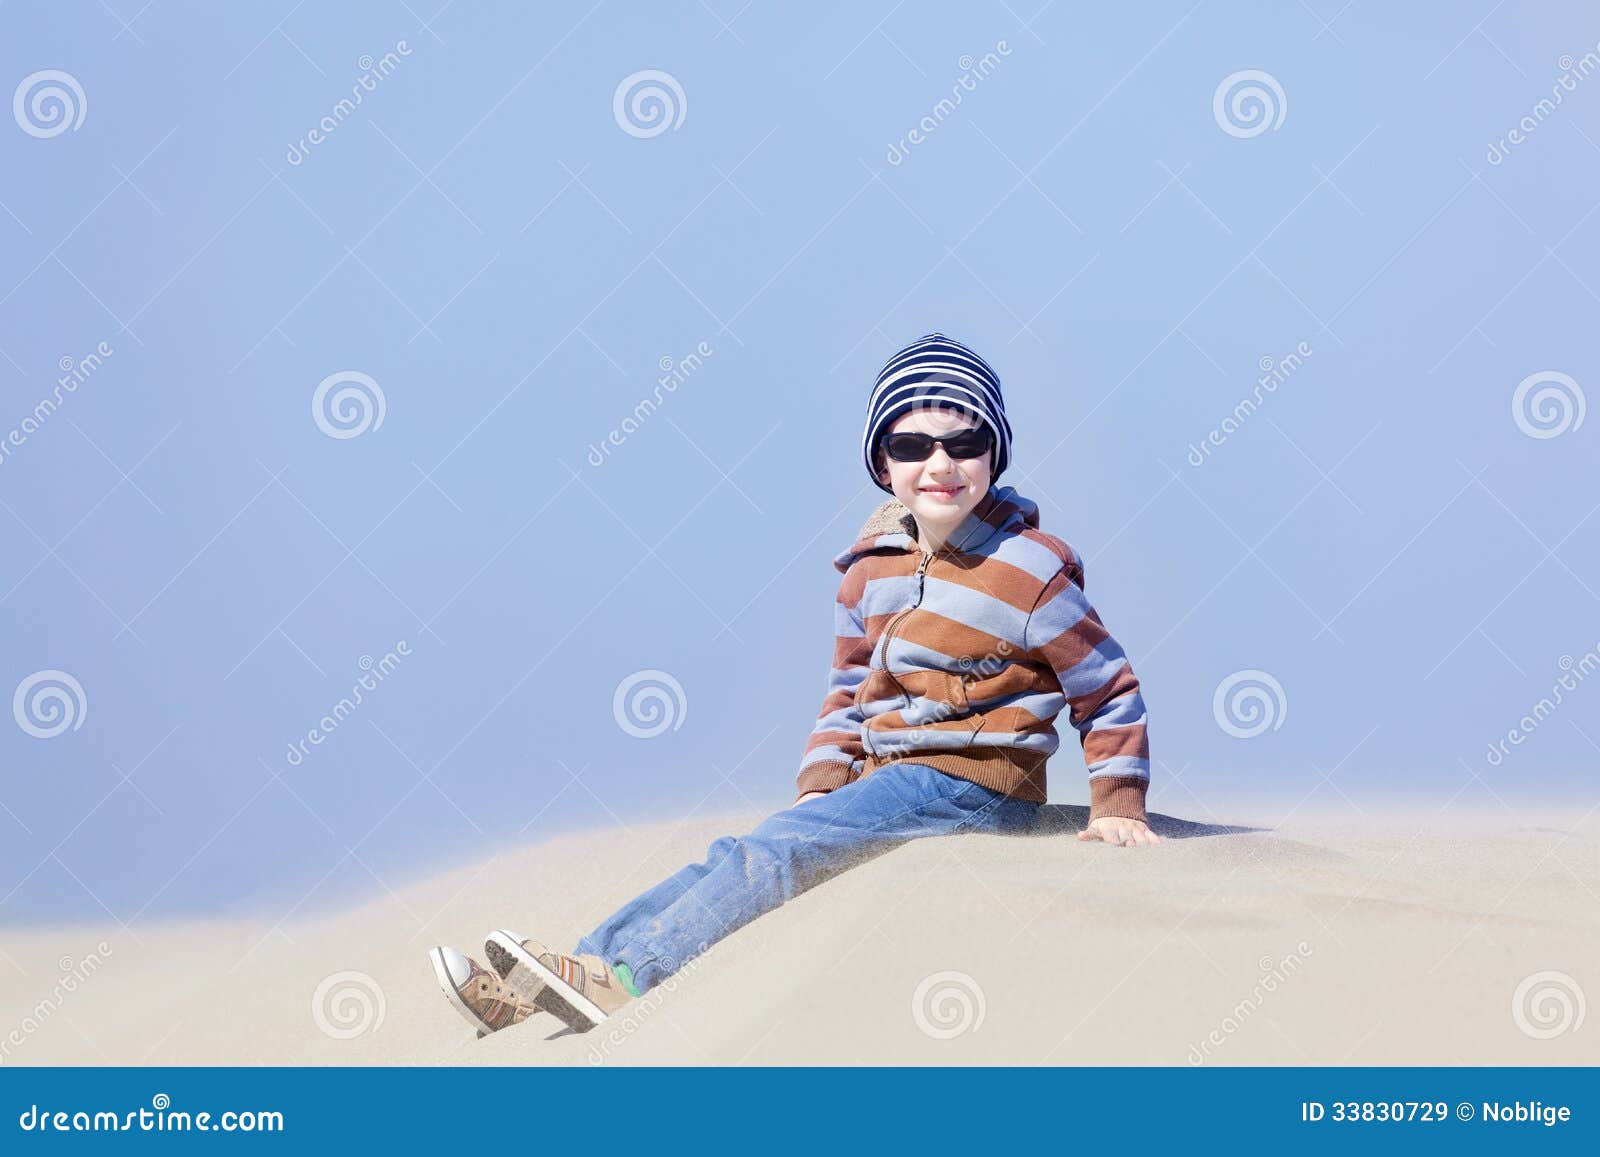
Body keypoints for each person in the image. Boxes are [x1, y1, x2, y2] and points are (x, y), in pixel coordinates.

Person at [428, 332, 1158, 1038]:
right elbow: (848, 686)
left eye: (964, 442)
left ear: (994, 453)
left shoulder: (1029, 569)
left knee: (776, 851)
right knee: (746, 846)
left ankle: (624, 978)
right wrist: (823, 778)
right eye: (912, 445)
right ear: (883, 462)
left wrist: (1118, 803)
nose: (941, 463)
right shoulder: (871, 569)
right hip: (886, 773)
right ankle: (563, 975)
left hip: (973, 782)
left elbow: (1107, 685)